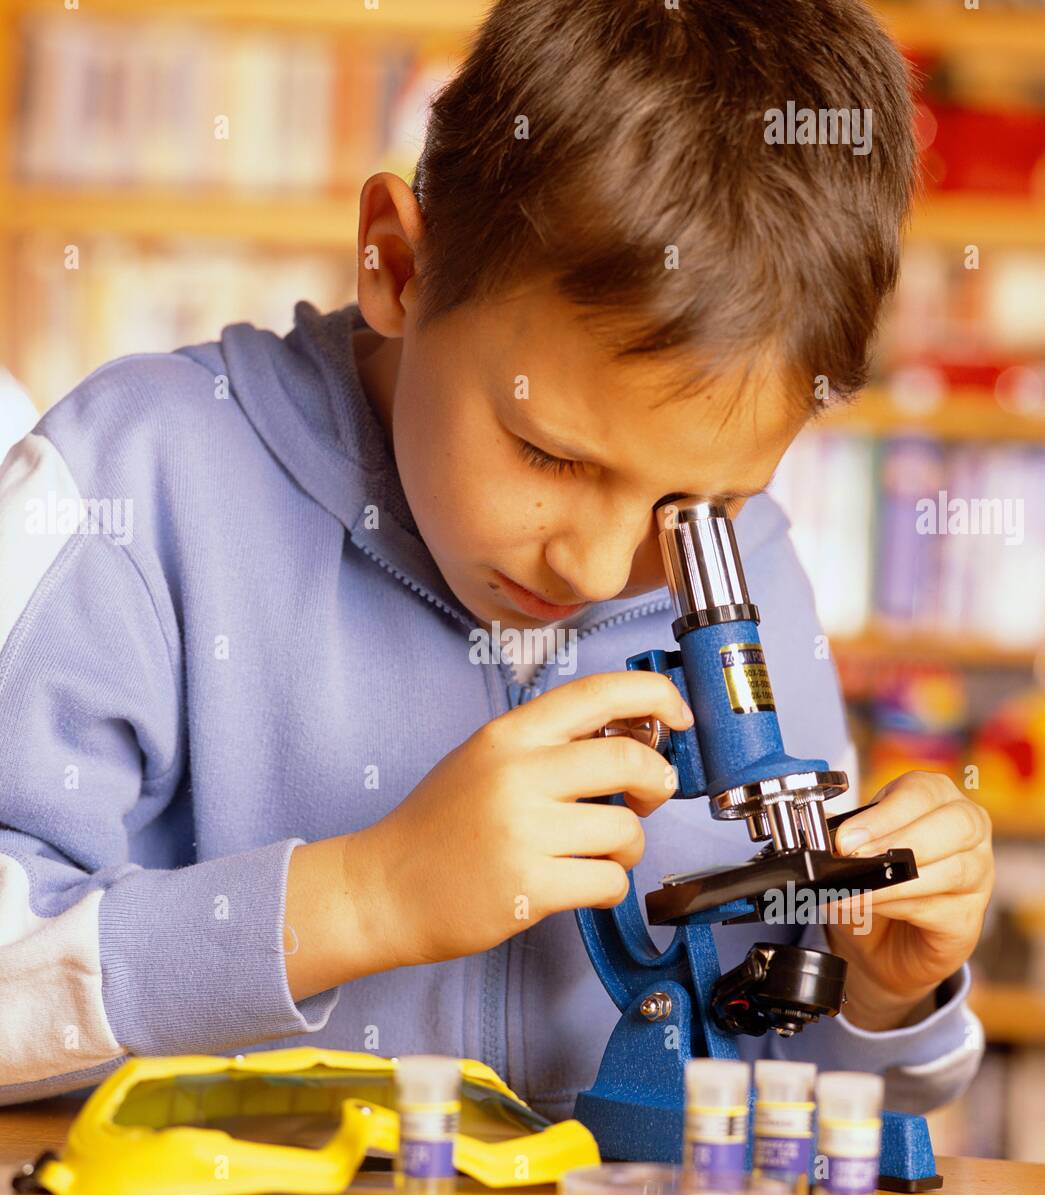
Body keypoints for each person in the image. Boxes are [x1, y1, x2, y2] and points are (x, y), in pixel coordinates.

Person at [0, 0, 990, 1118]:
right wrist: (366, 898)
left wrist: (877, 992)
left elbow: (796, 1094)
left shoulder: (745, 563)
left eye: (697, 502)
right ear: (397, 267)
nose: (597, 562)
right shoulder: (137, 482)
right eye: (549, 454)